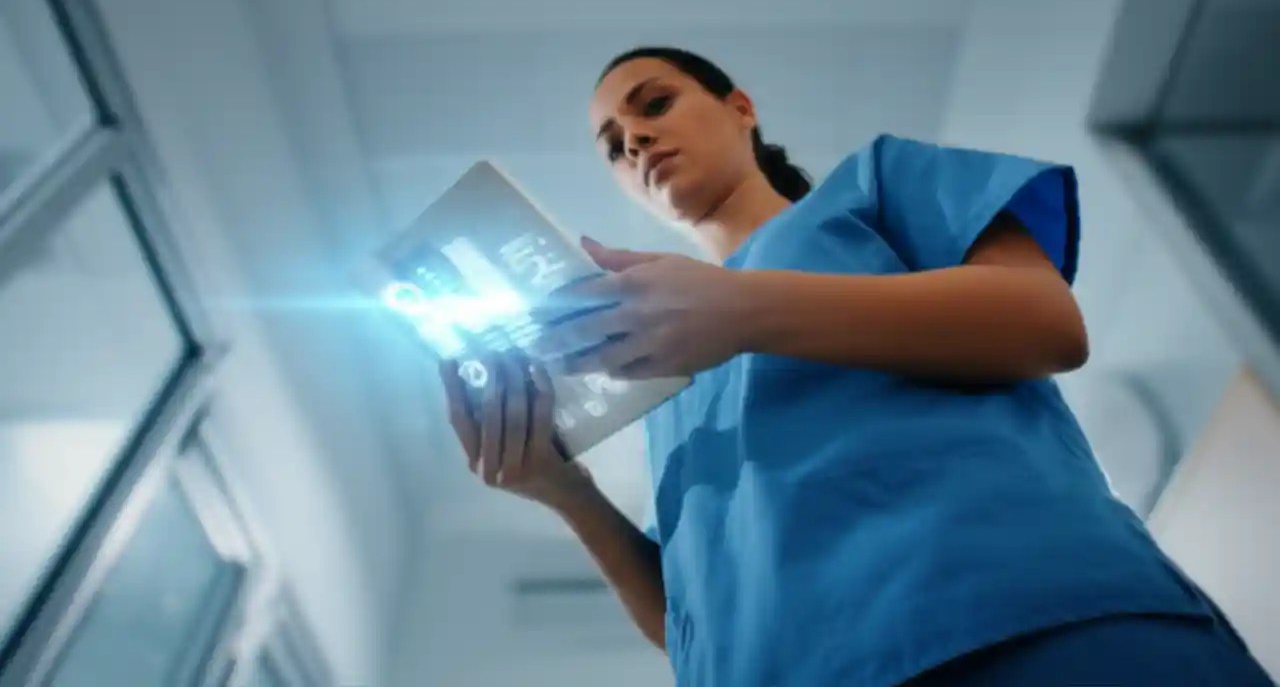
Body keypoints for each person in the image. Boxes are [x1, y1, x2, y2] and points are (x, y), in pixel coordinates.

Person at [437, 46, 1274, 686]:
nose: (637, 140)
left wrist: (743, 310)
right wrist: (560, 489)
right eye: (614, 147)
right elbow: (695, 617)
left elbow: (1043, 321)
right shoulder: (662, 376)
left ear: (740, 109)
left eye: (653, 105)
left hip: (1037, 629)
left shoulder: (874, 187)